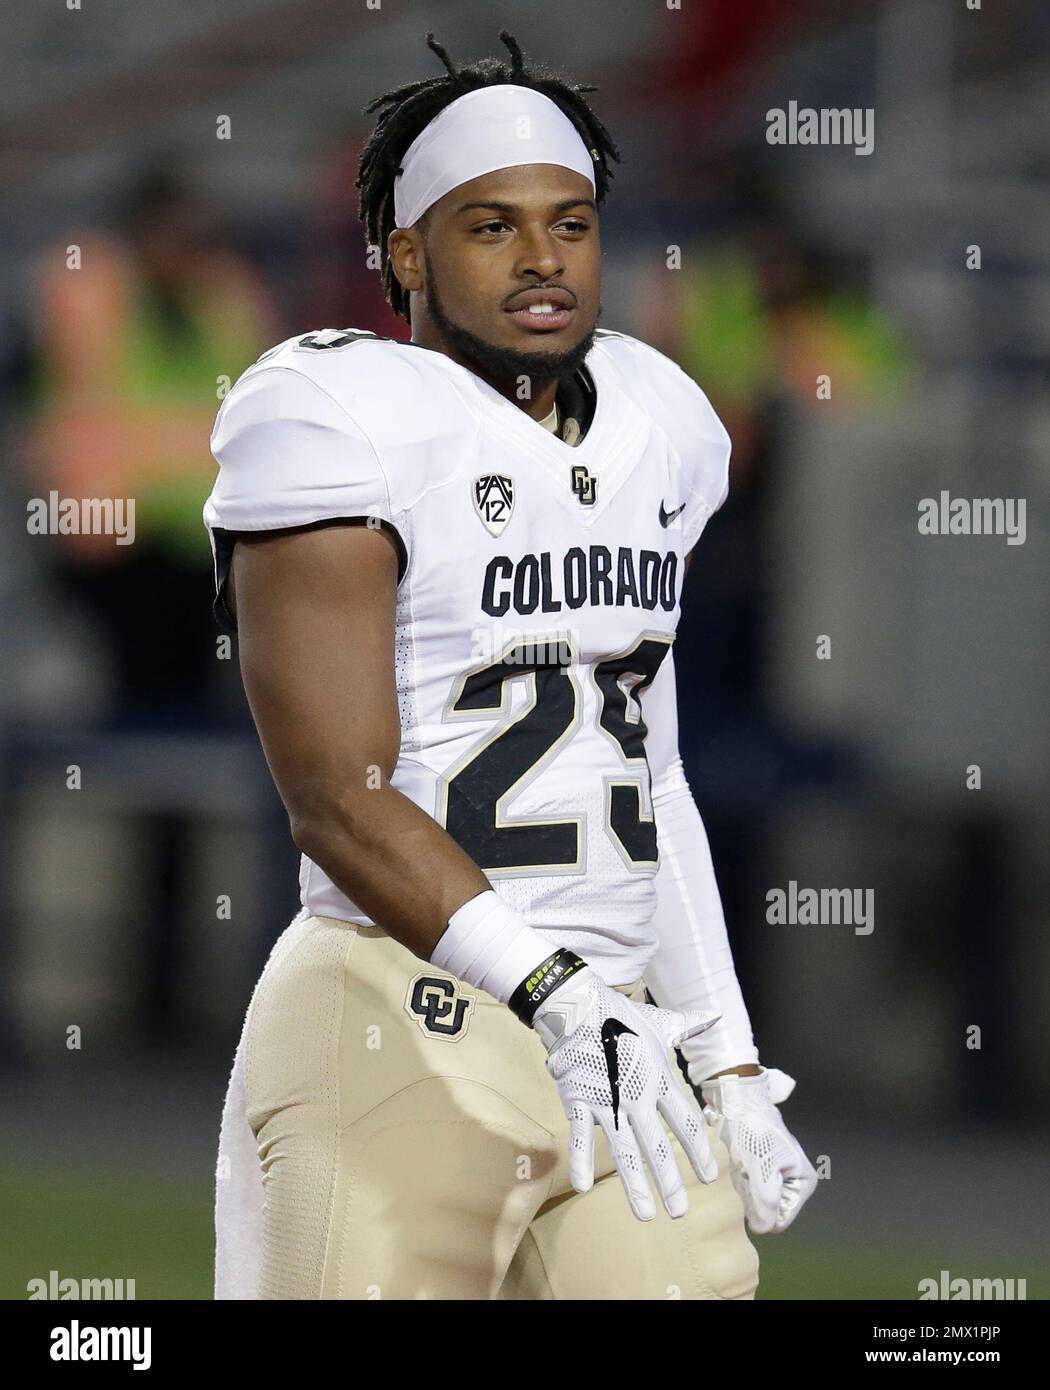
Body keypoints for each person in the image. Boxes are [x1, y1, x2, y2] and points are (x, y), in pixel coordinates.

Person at [206, 31, 816, 1301]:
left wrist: (732, 1056)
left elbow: (651, 766)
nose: (543, 259)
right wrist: (545, 988)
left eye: (572, 222)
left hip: (621, 1032)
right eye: (492, 226)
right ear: (408, 254)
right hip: (402, 1010)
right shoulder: (338, 412)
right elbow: (338, 795)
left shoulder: (661, 419)